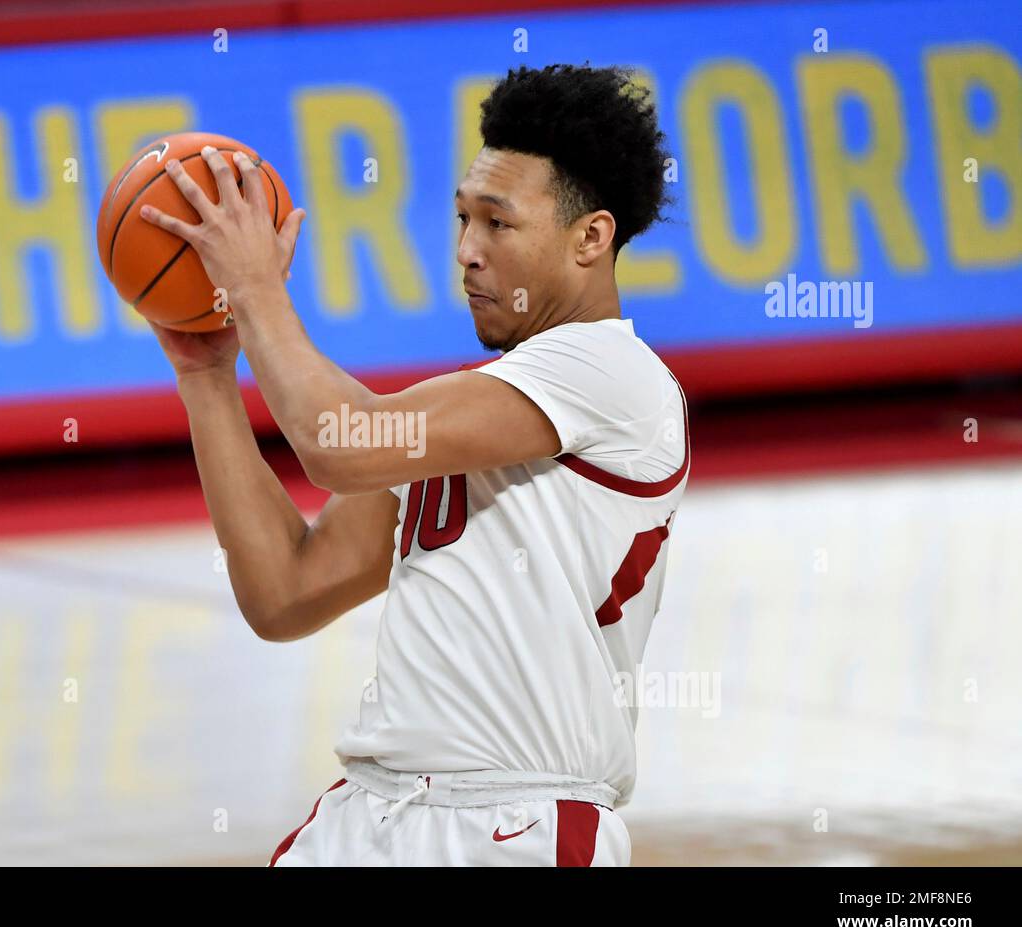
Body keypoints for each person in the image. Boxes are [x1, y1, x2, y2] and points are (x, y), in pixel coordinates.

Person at [141, 63, 687, 866]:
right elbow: (285, 594)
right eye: (463, 218)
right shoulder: (467, 413)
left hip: (516, 828)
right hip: (369, 816)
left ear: (591, 238)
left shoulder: (614, 374)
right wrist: (209, 376)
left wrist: (256, 290)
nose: (467, 250)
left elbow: (338, 444)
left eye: (497, 224)